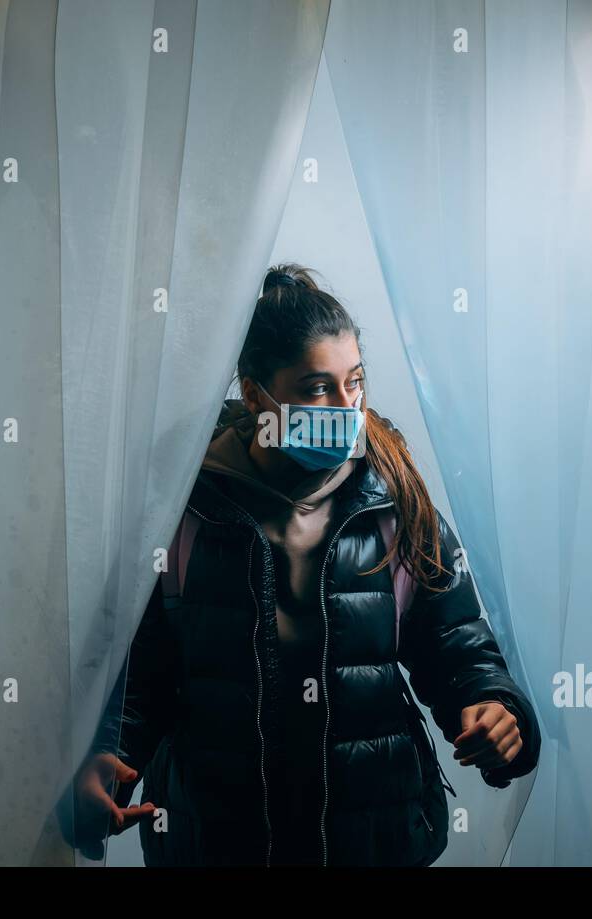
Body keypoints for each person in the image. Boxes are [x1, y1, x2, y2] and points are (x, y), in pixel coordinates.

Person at [62, 263, 540, 866]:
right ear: (256, 393)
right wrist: (104, 762)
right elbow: (141, 675)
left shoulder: (395, 502)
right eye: (317, 388)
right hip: (215, 841)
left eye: (355, 382)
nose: (348, 407)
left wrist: (496, 711)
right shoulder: (184, 509)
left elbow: (459, 648)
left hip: (374, 840)